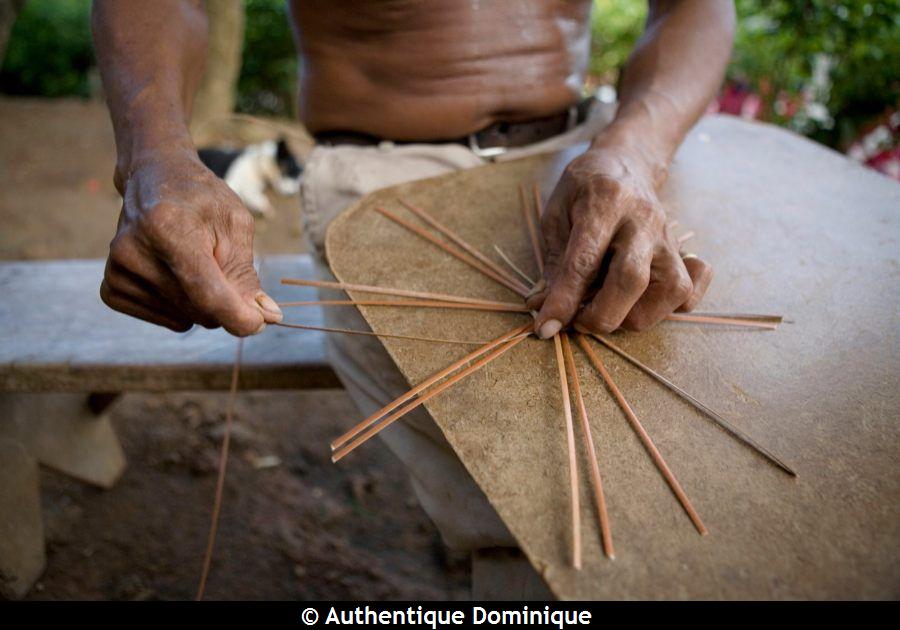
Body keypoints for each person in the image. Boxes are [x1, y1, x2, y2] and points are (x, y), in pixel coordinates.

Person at [91, 0, 734, 596]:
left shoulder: (621, 158)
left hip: (592, 157)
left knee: (690, 456)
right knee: (544, 513)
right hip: (387, 180)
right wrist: (156, 159)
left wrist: (637, 150)